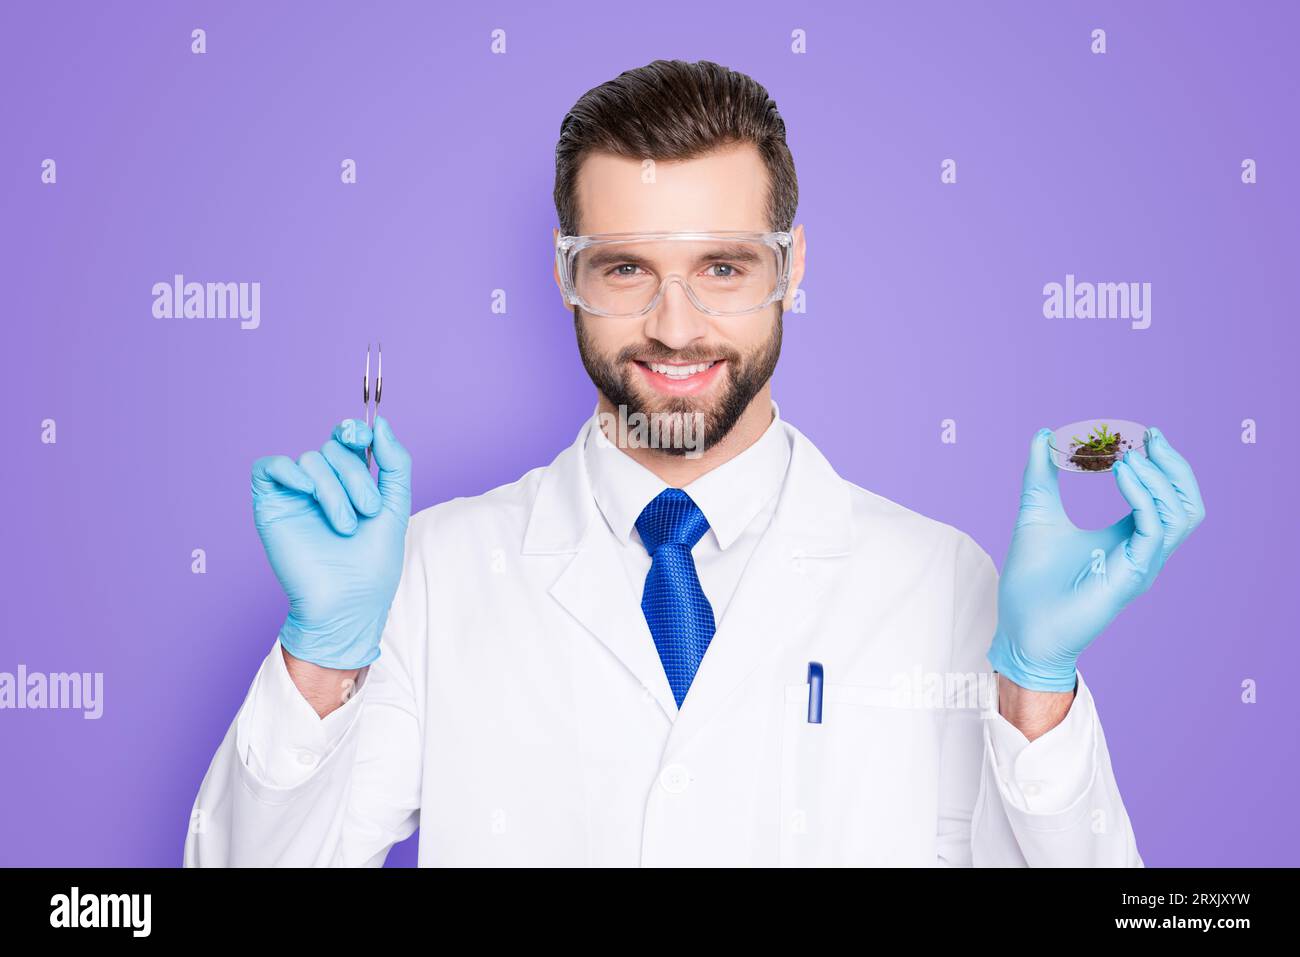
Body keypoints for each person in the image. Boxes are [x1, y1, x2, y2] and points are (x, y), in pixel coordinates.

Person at [184, 59, 1204, 867]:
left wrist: (1036, 689)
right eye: (626, 268)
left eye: (724, 267)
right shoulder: (434, 576)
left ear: (791, 269)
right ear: (564, 273)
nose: (675, 329)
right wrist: (320, 662)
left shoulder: (941, 583)